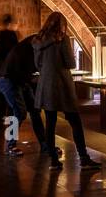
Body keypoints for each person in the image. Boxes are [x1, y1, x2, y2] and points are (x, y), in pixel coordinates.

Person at [32, 12, 100, 170]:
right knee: (75, 121)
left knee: (50, 123)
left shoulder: (37, 40)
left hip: (45, 85)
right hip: (62, 85)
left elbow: (37, 64)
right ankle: (83, 157)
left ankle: (53, 161)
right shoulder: (62, 39)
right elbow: (70, 63)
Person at [0, 30, 47, 156]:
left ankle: (45, 145)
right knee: (19, 112)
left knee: (34, 111)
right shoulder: (25, 50)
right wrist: (33, 78)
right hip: (8, 80)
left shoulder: (29, 47)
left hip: (18, 81)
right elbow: (19, 72)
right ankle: (10, 146)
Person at [0, 15, 19, 122]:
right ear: (10, 24)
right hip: (8, 68)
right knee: (10, 93)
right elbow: (14, 51)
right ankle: (10, 117)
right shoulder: (11, 35)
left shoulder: (0, 35)